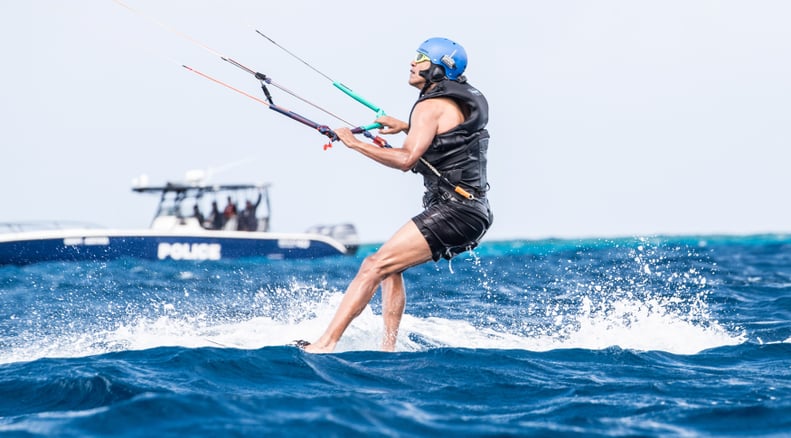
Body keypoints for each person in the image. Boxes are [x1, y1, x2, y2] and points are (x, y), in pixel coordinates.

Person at [301, 37, 493, 353]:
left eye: (420, 58)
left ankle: (324, 344)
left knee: (373, 265)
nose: (412, 62)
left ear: (438, 67)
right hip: (470, 210)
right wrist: (405, 126)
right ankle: (387, 349)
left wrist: (354, 143)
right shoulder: (447, 104)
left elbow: (406, 160)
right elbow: (445, 139)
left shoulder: (430, 106)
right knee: (390, 267)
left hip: (456, 210)